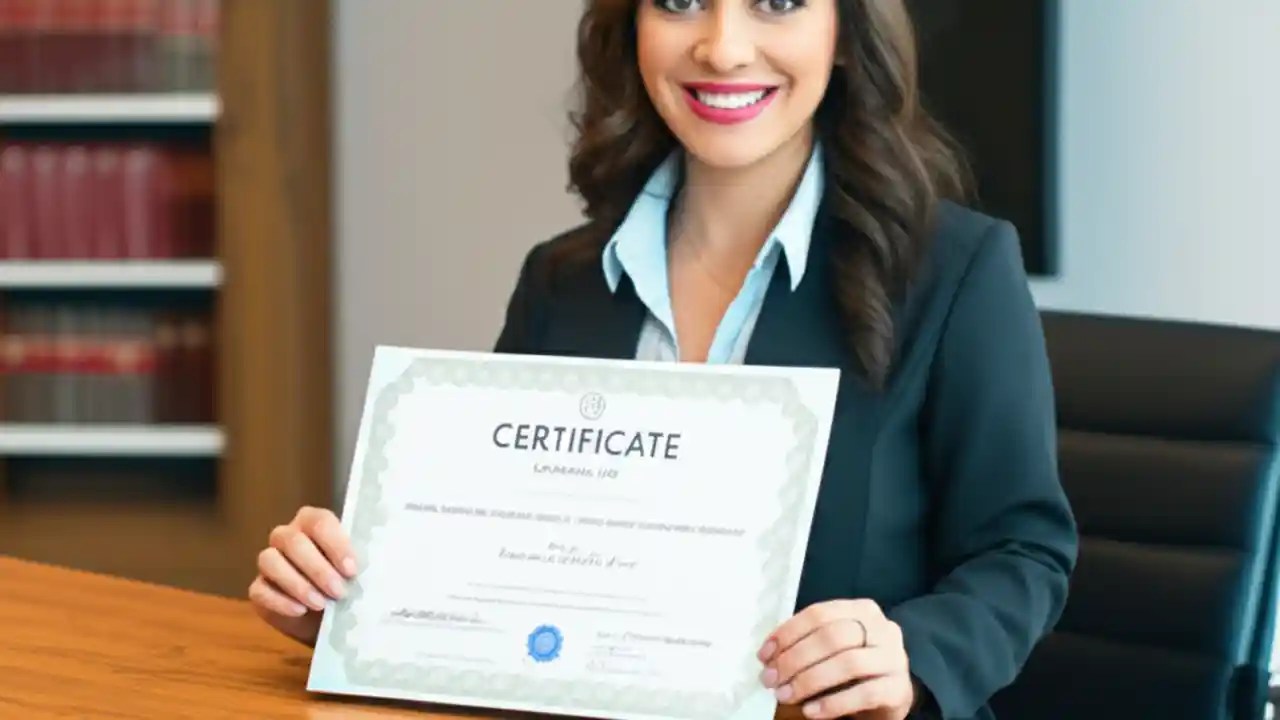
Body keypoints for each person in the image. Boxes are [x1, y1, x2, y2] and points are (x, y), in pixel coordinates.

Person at [248, 1, 1078, 718]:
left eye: (778, 2)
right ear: (632, 31)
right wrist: (350, 599)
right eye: (678, 0)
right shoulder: (560, 280)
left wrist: (911, 655)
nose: (721, 47)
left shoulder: (954, 273)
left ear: (847, 33)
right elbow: (498, 555)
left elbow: (1021, 553)